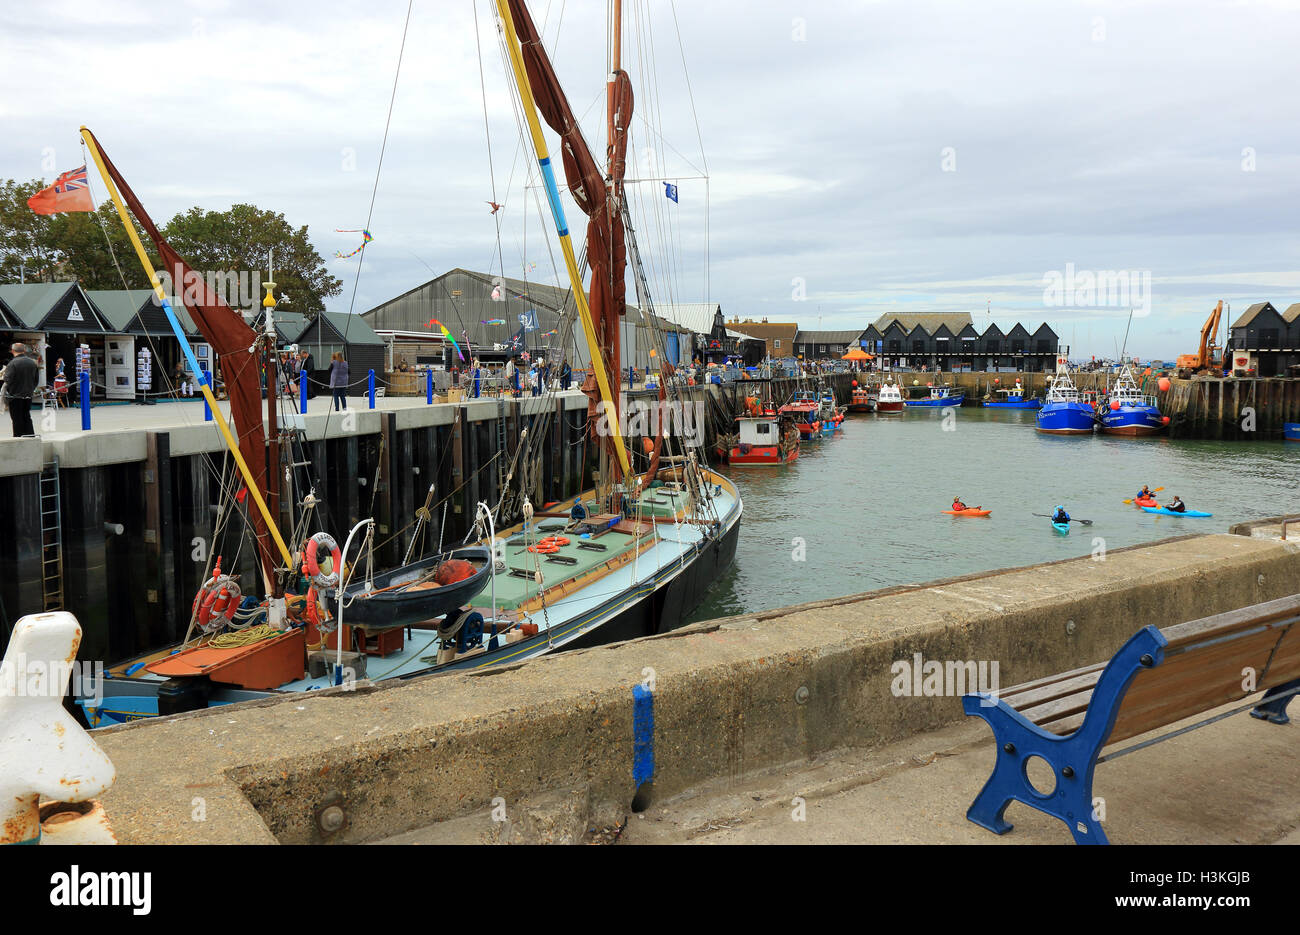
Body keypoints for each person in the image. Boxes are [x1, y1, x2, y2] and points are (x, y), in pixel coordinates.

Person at [3, 343, 40, 437]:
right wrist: (30, 389)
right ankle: (30, 436)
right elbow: (36, 380)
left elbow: (7, 380)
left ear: (12, 351)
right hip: (28, 395)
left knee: (16, 418)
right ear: (24, 350)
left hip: (15, 395)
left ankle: (18, 438)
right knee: (26, 416)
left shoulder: (12, 363)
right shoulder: (32, 363)